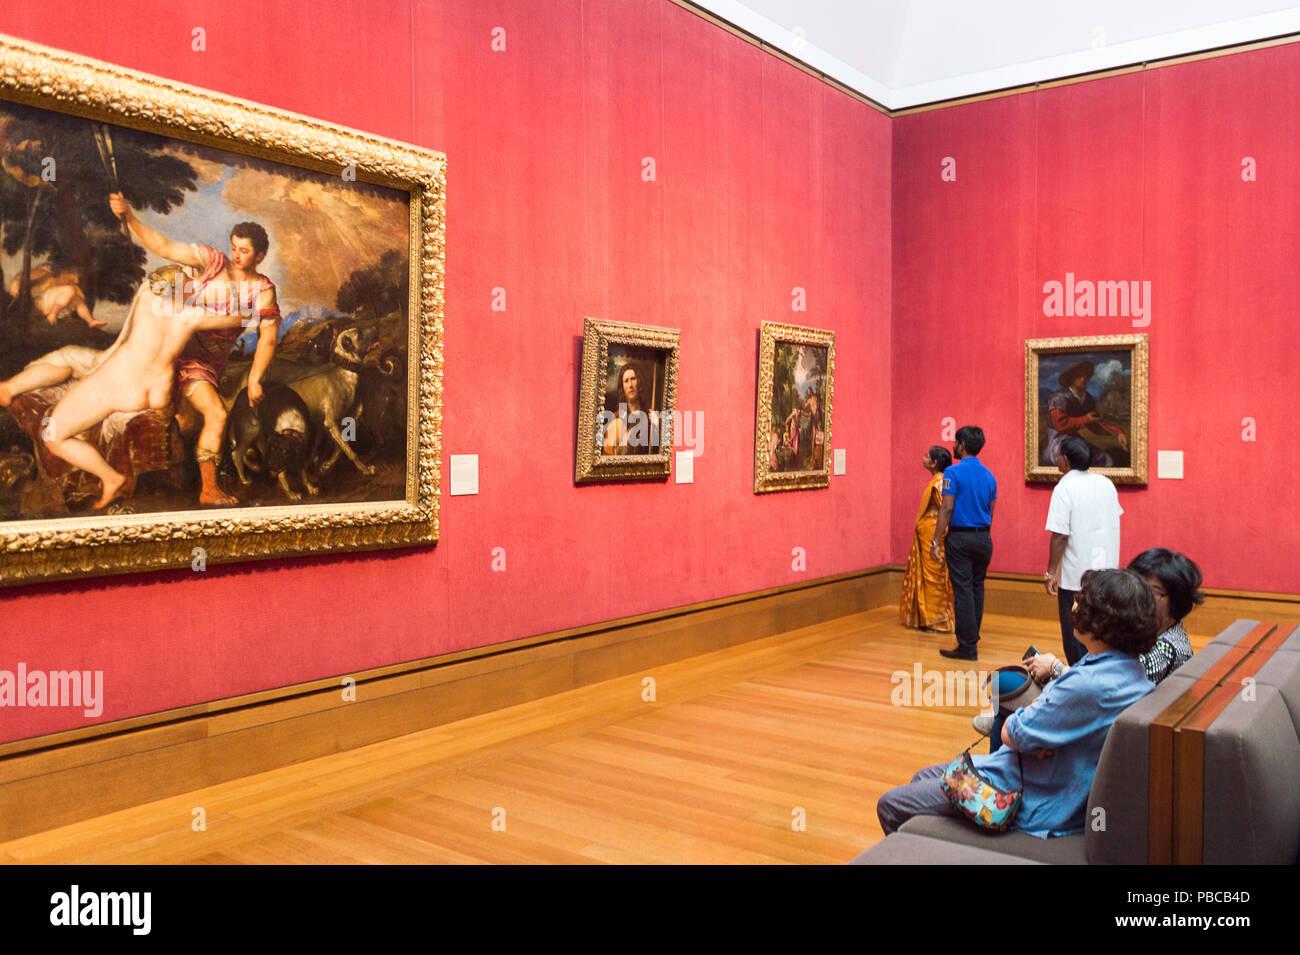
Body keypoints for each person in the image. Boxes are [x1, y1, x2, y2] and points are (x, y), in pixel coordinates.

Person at [877, 568, 1158, 838]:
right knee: (922, 776)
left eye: (1081, 601)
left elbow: (1011, 733)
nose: (1073, 606)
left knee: (892, 804)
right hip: (1048, 776)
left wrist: (1034, 712)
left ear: (1099, 622)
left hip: (1023, 794)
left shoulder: (1086, 685)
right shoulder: (1132, 671)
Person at [109, 192, 281, 506]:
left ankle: (176, 482)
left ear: (260, 255)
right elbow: (162, 247)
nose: (236, 255)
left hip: (208, 362)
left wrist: (255, 379)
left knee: (187, 421)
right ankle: (208, 490)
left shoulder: (262, 290)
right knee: (212, 414)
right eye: (234, 247)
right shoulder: (211, 261)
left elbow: (268, 337)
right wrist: (129, 217)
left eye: (244, 251)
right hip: (173, 349)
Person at [978, 548, 1203, 750]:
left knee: (1006, 684)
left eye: (1151, 589)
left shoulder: (1163, 650)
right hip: (1112, 720)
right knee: (1009, 695)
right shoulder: (1159, 632)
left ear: (1177, 600)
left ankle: (1002, 736)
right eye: (1136, 583)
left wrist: (1056, 669)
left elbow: (1102, 690)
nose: (1138, 593)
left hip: (1109, 731)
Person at [1043, 436, 1123, 664]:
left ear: (1065, 460)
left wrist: (1050, 573)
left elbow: (1059, 535)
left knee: (1075, 636)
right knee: (1102, 633)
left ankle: (1079, 678)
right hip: (1106, 574)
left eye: (1058, 455)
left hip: (1075, 577)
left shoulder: (1064, 488)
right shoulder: (1105, 483)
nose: (1056, 459)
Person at [931, 426, 996, 660]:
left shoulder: (952, 472)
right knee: (977, 587)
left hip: (960, 538)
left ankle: (967, 646)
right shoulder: (989, 475)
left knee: (963, 591)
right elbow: (991, 510)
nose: (953, 446)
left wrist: (936, 539)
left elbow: (947, 507)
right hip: (984, 537)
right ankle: (972, 637)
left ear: (963, 446)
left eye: (956, 442)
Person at [899, 445, 954, 633]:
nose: (923, 458)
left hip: (934, 537)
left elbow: (945, 511)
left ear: (935, 462)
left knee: (934, 579)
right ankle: (928, 618)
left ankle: (938, 621)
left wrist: (937, 539)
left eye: (926, 456)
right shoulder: (938, 481)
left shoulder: (940, 483)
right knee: (929, 577)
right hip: (928, 536)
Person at [1042, 360, 1128, 468]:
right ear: (1071, 379)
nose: (1083, 379)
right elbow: (1060, 424)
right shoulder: (1059, 398)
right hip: (1056, 440)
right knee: (1077, 461)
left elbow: (1096, 424)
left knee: (1105, 460)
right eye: (1079, 376)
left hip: (1074, 439)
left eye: (1085, 376)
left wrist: (1118, 433)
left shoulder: (1087, 399)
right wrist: (1086, 419)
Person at [8, 265, 107, 329]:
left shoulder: (66, 288)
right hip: (42, 302)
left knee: (76, 296)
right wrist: (16, 282)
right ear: (65, 273)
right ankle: (52, 315)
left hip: (56, 304)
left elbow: (77, 300)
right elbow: (26, 275)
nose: (71, 283)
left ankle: (90, 321)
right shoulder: (46, 272)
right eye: (71, 280)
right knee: (70, 290)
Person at [602, 363, 660, 455]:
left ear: (639, 382)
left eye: (633, 379)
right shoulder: (616, 419)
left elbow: (656, 453)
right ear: (622, 387)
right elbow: (607, 456)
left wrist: (656, 427)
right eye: (626, 381)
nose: (630, 385)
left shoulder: (649, 416)